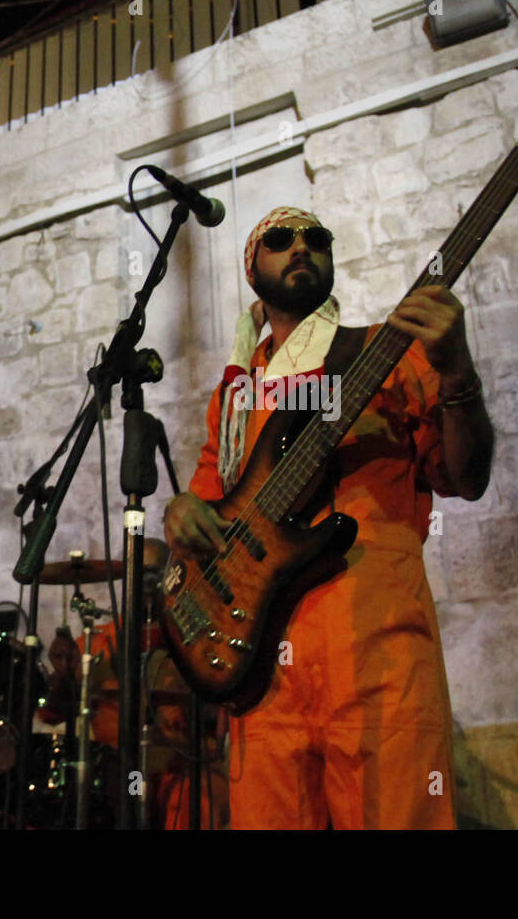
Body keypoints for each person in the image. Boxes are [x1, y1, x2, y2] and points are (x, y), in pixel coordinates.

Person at [163, 206, 494, 829]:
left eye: (317, 239)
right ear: (251, 268)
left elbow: (466, 478)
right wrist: (181, 513)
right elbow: (208, 506)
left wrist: (457, 371)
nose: (301, 248)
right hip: (261, 657)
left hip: (376, 642)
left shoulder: (386, 354)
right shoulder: (236, 396)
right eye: (280, 239)